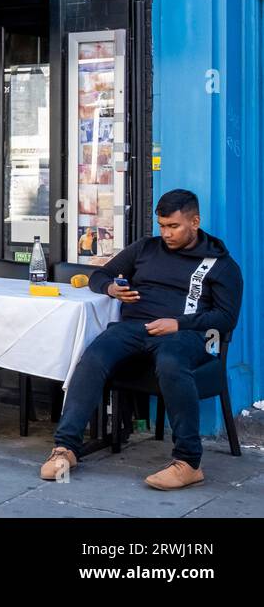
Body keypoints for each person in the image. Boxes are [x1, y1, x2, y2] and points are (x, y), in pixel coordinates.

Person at [40, 190, 242, 490]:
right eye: (162, 226)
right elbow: (100, 275)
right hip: (134, 328)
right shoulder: (146, 248)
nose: (166, 233)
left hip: (183, 334)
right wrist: (110, 289)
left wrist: (178, 322)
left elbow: (226, 318)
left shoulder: (220, 264)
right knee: (93, 355)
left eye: (173, 226)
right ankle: (66, 448)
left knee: (171, 362)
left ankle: (188, 463)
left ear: (195, 222)